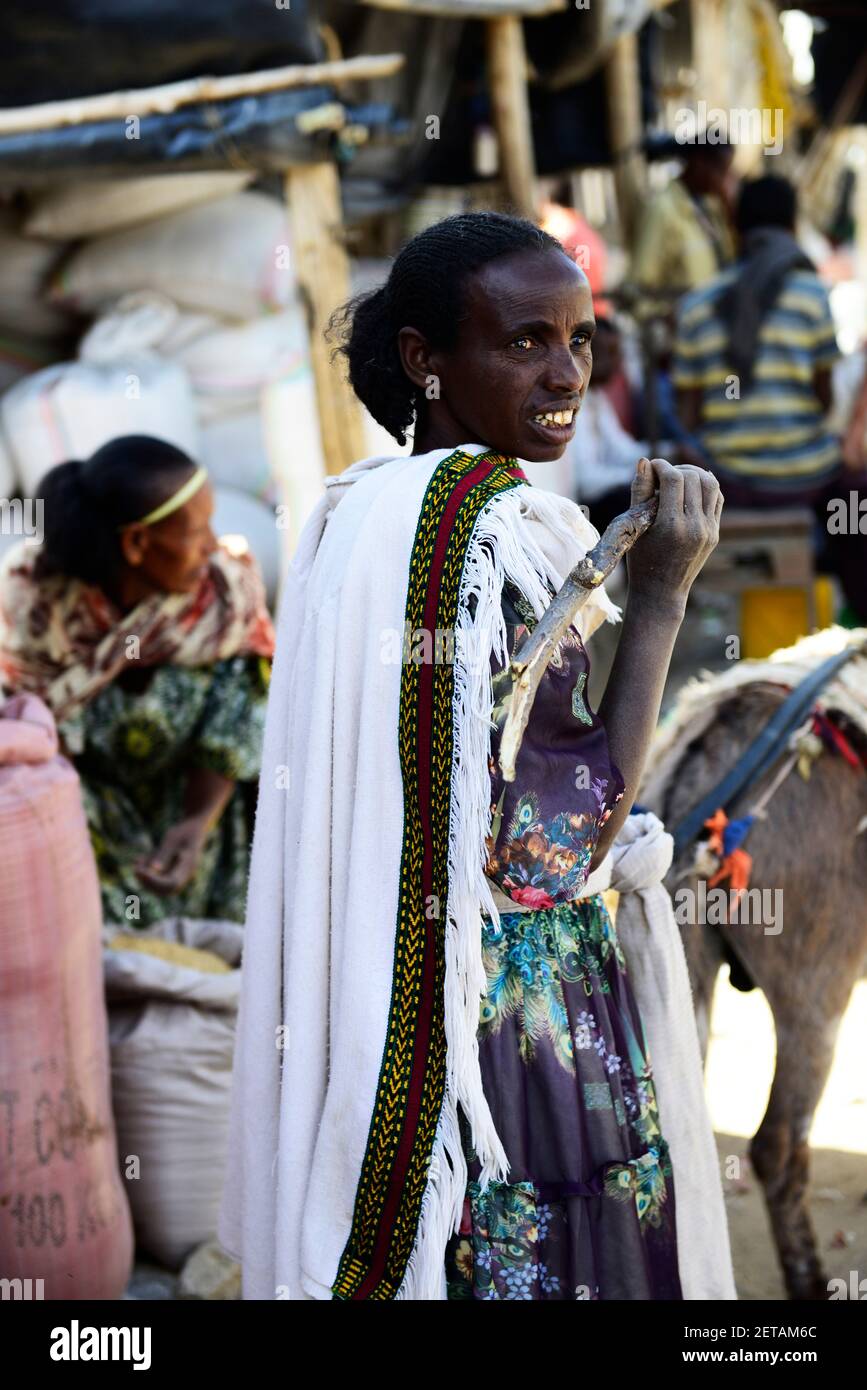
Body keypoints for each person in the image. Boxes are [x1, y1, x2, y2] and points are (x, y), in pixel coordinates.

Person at [220, 212, 731, 1302]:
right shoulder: (488, 537)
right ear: (425, 360)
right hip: (501, 1034)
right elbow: (554, 850)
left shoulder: (359, 514)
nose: (565, 372)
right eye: (524, 341)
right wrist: (662, 602)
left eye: (581, 339)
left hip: (384, 998)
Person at [0, 436, 275, 926]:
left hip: (194, 803)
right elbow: (34, 741)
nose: (214, 544)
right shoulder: (34, 601)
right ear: (136, 544)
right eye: (197, 531)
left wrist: (196, 822)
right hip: (88, 812)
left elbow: (244, 706)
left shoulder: (222, 595)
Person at [630, 138, 736, 310]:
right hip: (680, 327)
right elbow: (641, 284)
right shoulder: (663, 208)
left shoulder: (712, 208)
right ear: (699, 162)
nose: (725, 179)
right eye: (722, 170)